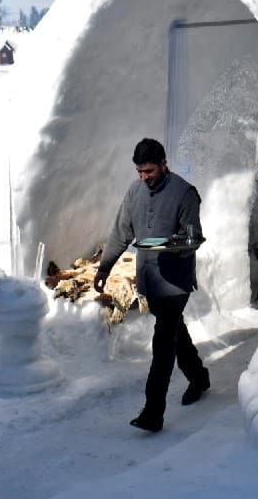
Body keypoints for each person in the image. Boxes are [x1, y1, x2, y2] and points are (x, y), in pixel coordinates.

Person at [93, 137, 210, 433]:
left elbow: (192, 238)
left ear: (163, 164)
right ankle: (198, 377)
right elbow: (121, 233)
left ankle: (152, 412)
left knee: (162, 342)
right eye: (140, 172)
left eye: (149, 171)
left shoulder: (185, 193)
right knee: (174, 333)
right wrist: (104, 268)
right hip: (149, 279)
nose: (145, 177)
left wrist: (174, 245)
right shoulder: (135, 192)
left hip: (175, 282)